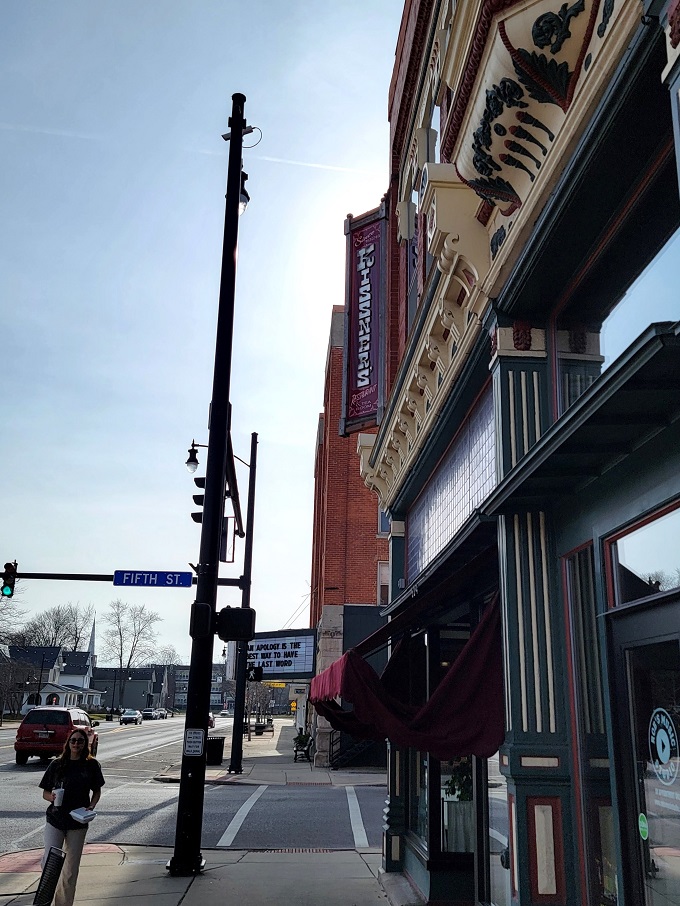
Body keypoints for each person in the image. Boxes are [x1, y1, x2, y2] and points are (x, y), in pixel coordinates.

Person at [38, 729, 105, 906]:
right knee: (50, 864)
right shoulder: (57, 764)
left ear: (85, 744)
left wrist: (91, 806)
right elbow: (45, 792)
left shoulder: (91, 765)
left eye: (80, 741)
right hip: (56, 818)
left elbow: (97, 790)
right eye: (73, 741)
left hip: (78, 821)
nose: (76, 744)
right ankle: (44, 901)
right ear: (68, 743)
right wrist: (51, 797)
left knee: (70, 869)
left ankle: (63, 903)